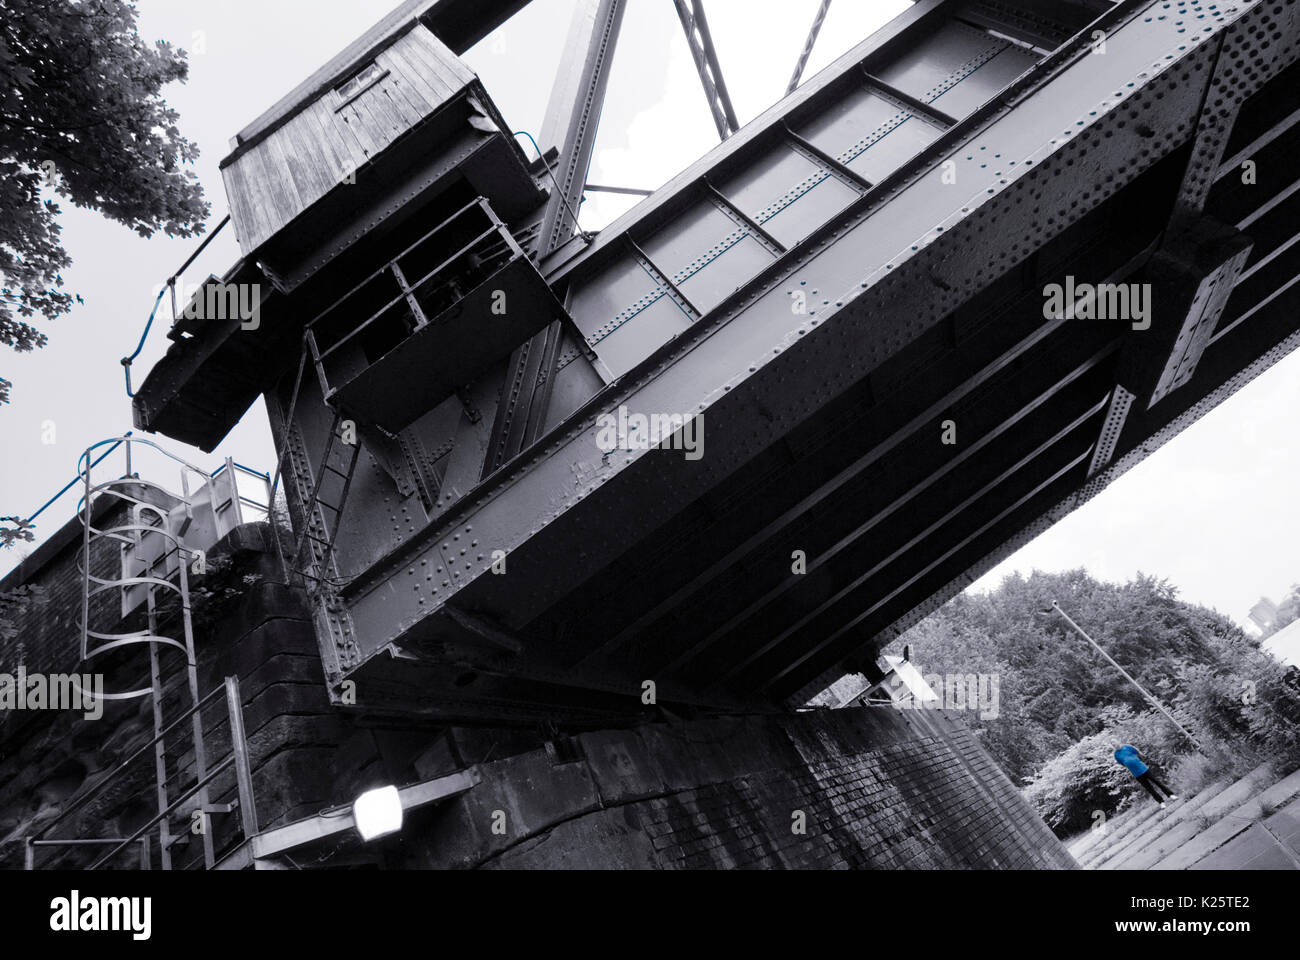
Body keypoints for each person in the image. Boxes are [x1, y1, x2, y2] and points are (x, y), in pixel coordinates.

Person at [1114, 744, 1178, 807]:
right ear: (1113, 746)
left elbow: (1138, 752)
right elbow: (1122, 763)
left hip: (1143, 769)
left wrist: (1142, 759)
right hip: (1136, 774)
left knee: (1157, 782)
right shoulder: (1116, 755)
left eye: (1115, 743)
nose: (1115, 745)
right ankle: (1161, 802)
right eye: (1113, 744)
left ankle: (1170, 795)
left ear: (1117, 742)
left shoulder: (1127, 747)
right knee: (1150, 789)